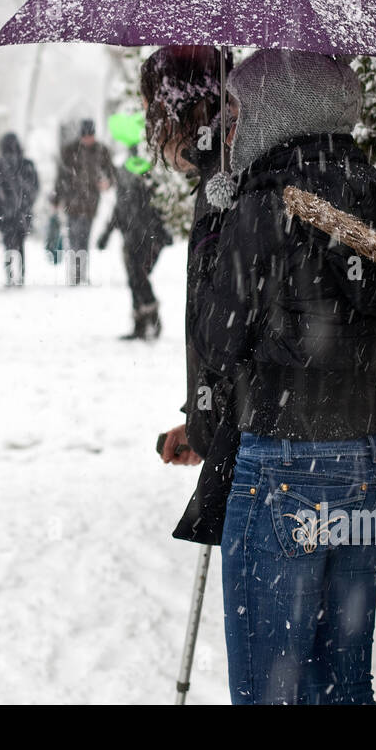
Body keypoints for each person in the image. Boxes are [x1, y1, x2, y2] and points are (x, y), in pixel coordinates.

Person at [190, 48, 376, 705]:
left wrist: (219, 223)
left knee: (273, 687)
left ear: (274, 112)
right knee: (340, 685)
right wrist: (361, 339)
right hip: (366, 465)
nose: (233, 127)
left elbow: (217, 339)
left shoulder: (262, 205)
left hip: (282, 470)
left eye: (240, 110)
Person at [139, 45, 240, 547]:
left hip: (258, 450)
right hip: (253, 436)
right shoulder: (225, 170)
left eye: (153, 113)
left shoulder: (227, 182)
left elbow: (227, 323)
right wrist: (200, 423)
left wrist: (210, 425)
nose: (152, 131)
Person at [97, 147, 173, 339]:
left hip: (146, 237)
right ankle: (141, 323)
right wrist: (106, 234)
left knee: (138, 277)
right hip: (135, 237)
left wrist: (159, 231)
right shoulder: (128, 178)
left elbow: (150, 208)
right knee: (135, 278)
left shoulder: (141, 177)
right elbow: (120, 210)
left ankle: (151, 319)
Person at [53, 118, 115, 273]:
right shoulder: (69, 151)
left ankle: (80, 272)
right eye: (85, 136)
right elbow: (61, 177)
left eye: (90, 135)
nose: (88, 139)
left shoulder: (102, 151)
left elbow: (111, 173)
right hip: (71, 200)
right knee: (73, 236)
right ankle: (75, 271)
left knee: (84, 237)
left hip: (90, 202)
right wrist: (56, 199)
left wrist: (107, 182)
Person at [0, 132, 39, 287]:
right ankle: (19, 276)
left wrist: (3, 206)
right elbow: (34, 188)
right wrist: (25, 203)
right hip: (21, 213)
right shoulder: (26, 164)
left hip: (7, 214)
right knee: (20, 245)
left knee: (8, 245)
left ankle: (11, 276)